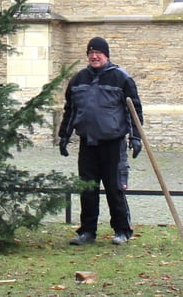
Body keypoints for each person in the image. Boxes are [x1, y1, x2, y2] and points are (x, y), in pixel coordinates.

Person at [58, 36, 143, 246]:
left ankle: (122, 230)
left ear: (106, 55)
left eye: (99, 53)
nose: (94, 56)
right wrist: (64, 135)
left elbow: (134, 110)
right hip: (88, 143)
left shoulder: (121, 78)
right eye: (91, 53)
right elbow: (70, 110)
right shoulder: (78, 80)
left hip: (113, 143)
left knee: (114, 188)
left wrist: (136, 137)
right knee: (88, 188)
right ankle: (87, 231)